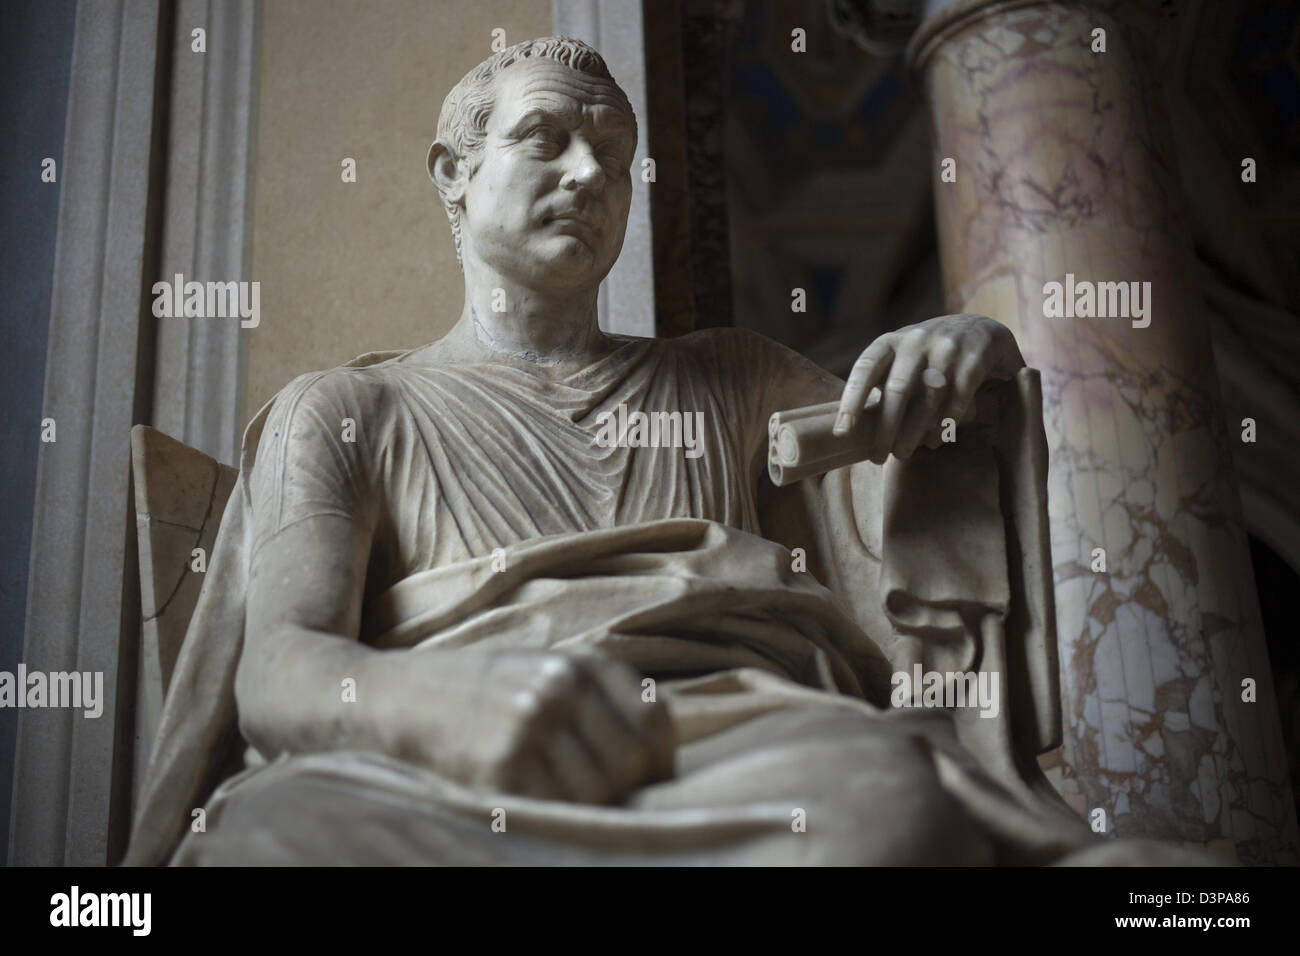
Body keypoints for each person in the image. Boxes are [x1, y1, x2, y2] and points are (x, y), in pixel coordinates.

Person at [123, 36, 1196, 866]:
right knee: (273, 837)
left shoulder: (734, 375)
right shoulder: (344, 406)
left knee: (884, 803)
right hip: (427, 770)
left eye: (617, 156)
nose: (591, 172)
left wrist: (963, 362)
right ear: (453, 172)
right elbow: (282, 667)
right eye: (544, 137)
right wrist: (445, 708)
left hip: (723, 751)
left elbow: (915, 510)